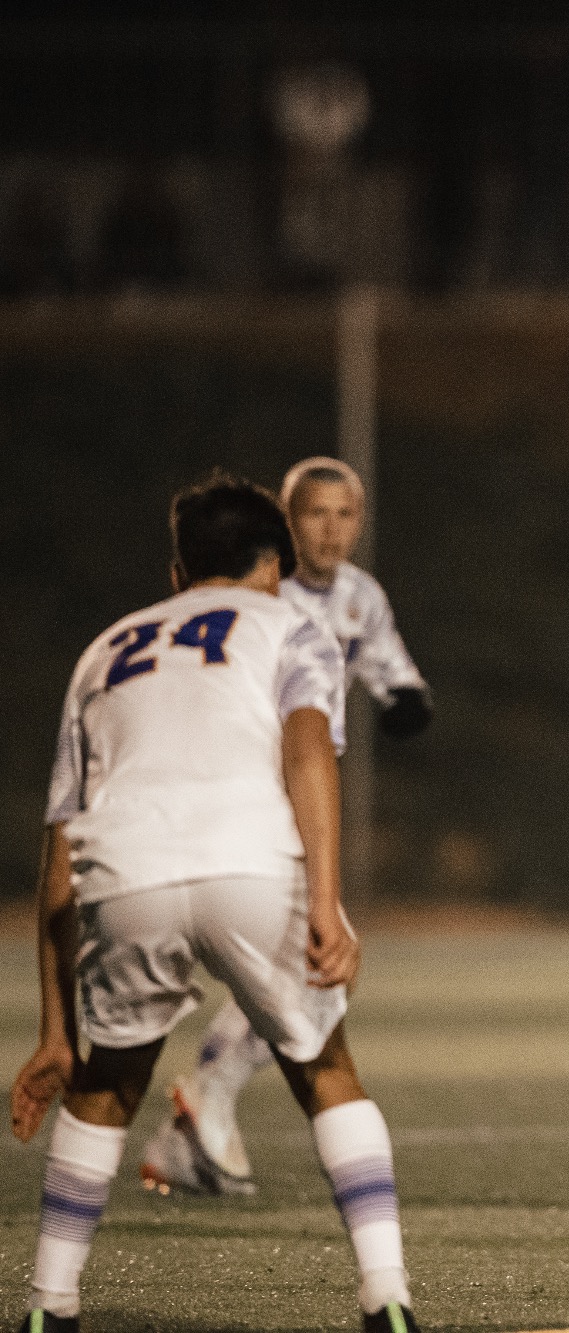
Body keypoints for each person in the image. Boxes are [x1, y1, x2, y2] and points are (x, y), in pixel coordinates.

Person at [12, 474, 419, 1331]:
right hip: (248, 861)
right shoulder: (293, 623)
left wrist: (55, 1032)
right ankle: (385, 1296)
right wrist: (328, 901)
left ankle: (49, 1305)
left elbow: (60, 849)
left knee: (107, 1085)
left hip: (126, 874)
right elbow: (309, 751)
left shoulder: (104, 650)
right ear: (274, 563)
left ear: (176, 571)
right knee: (325, 1067)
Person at [140, 456, 430, 1198]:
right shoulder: (257, 595)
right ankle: (203, 1100)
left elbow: (391, 669)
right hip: (252, 796)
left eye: (346, 514)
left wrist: (404, 696)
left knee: (294, 969)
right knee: (315, 969)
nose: (331, 530)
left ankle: (194, 1120)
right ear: (286, 523)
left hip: (290, 797)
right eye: (315, 514)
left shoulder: (361, 596)